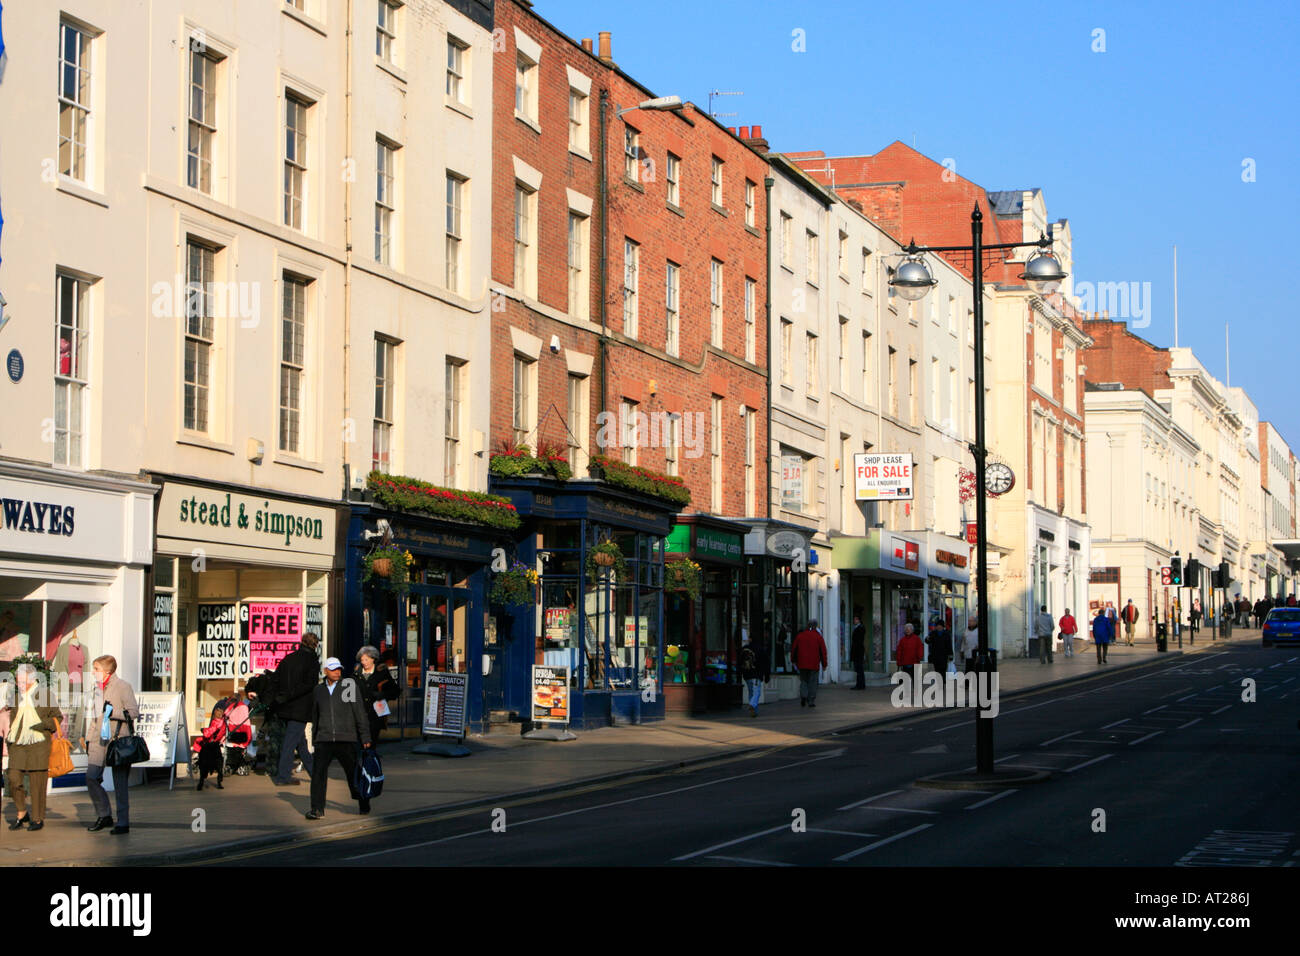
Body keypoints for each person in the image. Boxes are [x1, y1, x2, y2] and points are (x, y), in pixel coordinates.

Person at [305, 657, 372, 819]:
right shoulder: (318, 690)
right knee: (318, 775)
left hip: (346, 738)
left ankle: (364, 803)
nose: (337, 672)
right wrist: (314, 739)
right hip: (324, 739)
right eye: (333, 669)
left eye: (339, 669)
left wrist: (365, 736)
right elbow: (316, 715)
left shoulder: (348, 686)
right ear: (325, 671)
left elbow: (359, 712)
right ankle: (317, 809)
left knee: (353, 775)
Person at [83, 655, 139, 834]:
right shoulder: (96, 689)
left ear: (108, 671)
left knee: (120, 783)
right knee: (91, 777)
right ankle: (104, 814)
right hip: (99, 740)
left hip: (118, 741)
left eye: (96, 669)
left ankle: (123, 823)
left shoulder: (123, 686)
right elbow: (94, 717)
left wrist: (112, 711)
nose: (93, 672)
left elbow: (133, 712)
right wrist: (89, 738)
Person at [5, 664, 61, 832]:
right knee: (13, 777)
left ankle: (37, 818)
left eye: (21, 681)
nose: (18, 684)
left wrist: (41, 725)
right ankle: (22, 812)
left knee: (37, 783)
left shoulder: (45, 695)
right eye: (17, 680)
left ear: (31, 679)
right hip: (18, 743)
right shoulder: (15, 698)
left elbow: (57, 718)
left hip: (38, 743)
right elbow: (12, 720)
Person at [271, 631, 321, 786]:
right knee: (291, 743)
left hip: (285, 707)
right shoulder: (312, 661)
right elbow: (309, 685)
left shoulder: (289, 658)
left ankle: (315, 774)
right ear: (315, 645)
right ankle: (283, 776)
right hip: (300, 708)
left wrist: (282, 697)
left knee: (300, 743)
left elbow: (276, 679)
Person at [354, 645, 400, 749]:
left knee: (371, 745)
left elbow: (395, 691)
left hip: (375, 715)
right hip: (359, 715)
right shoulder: (356, 674)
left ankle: (370, 763)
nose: (364, 662)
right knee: (359, 746)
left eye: (366, 659)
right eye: (362, 660)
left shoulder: (382, 673)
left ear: (373, 659)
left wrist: (382, 695)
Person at [789, 620, 827, 708]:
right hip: (814, 664)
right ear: (815, 626)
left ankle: (803, 695)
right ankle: (811, 700)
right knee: (813, 682)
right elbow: (823, 651)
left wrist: (793, 660)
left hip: (802, 663)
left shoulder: (800, 636)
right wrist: (824, 664)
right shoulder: (818, 637)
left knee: (804, 681)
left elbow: (794, 649)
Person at [739, 634, 769, 717]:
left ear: (750, 639)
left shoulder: (744, 648)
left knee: (751, 692)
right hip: (756, 674)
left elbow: (740, 661)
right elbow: (766, 663)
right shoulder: (761, 649)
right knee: (756, 692)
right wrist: (766, 675)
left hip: (747, 674)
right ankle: (752, 704)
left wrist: (741, 671)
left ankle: (754, 711)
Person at [850, 609, 867, 690]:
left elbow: (858, 641)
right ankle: (860, 684)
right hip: (857, 650)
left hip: (858, 651)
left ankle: (860, 684)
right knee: (858, 669)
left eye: (855, 619)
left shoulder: (860, 628)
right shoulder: (858, 628)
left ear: (858, 620)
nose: (854, 620)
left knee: (859, 669)